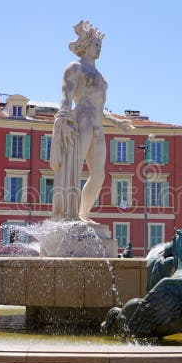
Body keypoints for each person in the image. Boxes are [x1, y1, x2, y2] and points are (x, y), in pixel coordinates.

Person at [51, 20, 135, 223]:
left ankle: (83, 214)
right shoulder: (75, 68)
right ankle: (69, 216)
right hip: (82, 120)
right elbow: (66, 99)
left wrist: (117, 122)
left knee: (99, 175)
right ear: (86, 45)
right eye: (96, 44)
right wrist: (63, 122)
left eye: (100, 45)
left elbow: (100, 107)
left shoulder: (99, 75)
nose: (99, 49)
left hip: (98, 124)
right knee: (75, 168)